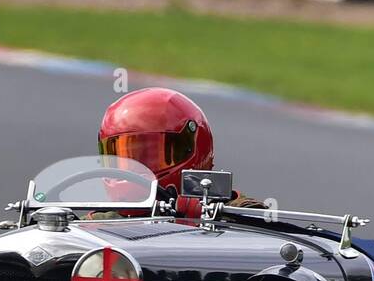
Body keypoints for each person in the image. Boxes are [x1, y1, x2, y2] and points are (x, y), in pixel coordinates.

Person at [97, 88, 264, 213]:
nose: (135, 169)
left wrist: (201, 221)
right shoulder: (99, 225)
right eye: (124, 158)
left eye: (150, 156)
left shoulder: (237, 215)